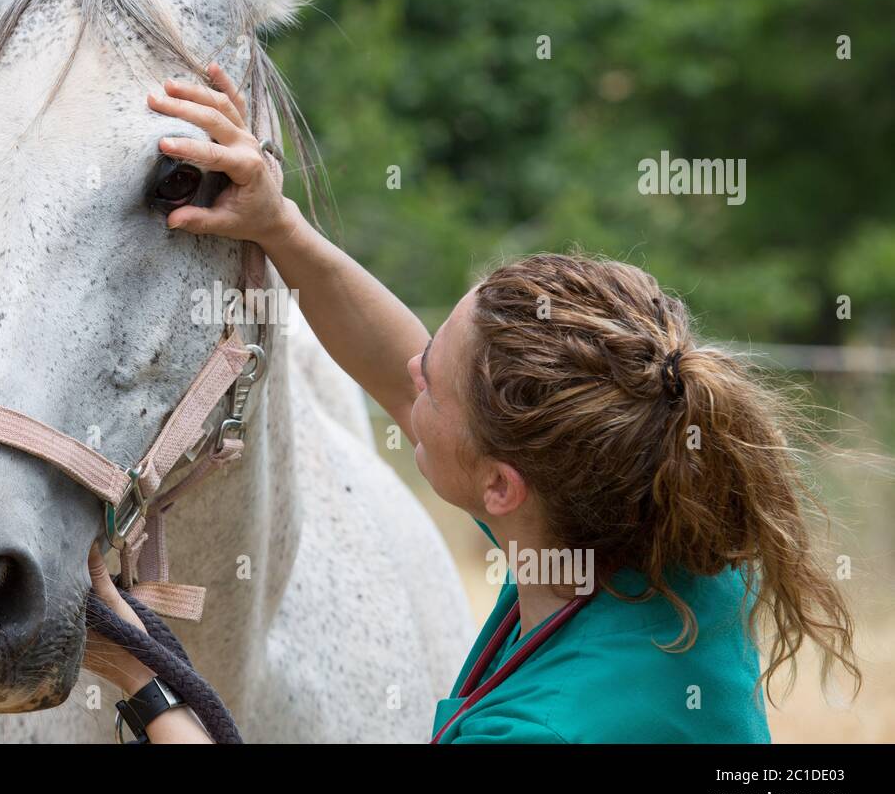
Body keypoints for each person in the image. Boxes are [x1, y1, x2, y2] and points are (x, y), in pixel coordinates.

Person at [82, 63, 861, 743]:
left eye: (434, 383)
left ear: (500, 487)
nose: (411, 374)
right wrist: (279, 224)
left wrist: (139, 675)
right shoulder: (651, 540)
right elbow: (398, 363)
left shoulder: (537, 732)